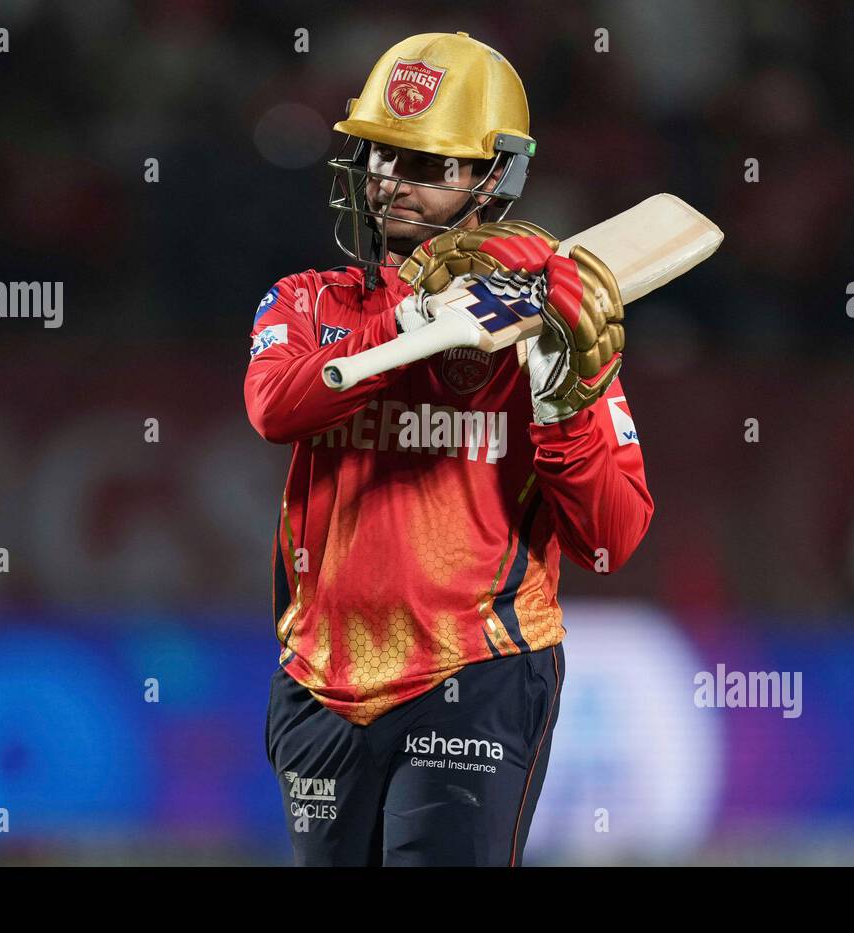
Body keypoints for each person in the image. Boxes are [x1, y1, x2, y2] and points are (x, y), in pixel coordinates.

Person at [245, 31, 653, 866]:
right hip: (321, 681)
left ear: (493, 178)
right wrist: (408, 327)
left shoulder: (553, 319)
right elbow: (275, 408)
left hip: (477, 672)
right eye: (380, 156)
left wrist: (564, 396)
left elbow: (612, 538)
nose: (391, 184)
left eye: (427, 166)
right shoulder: (306, 300)